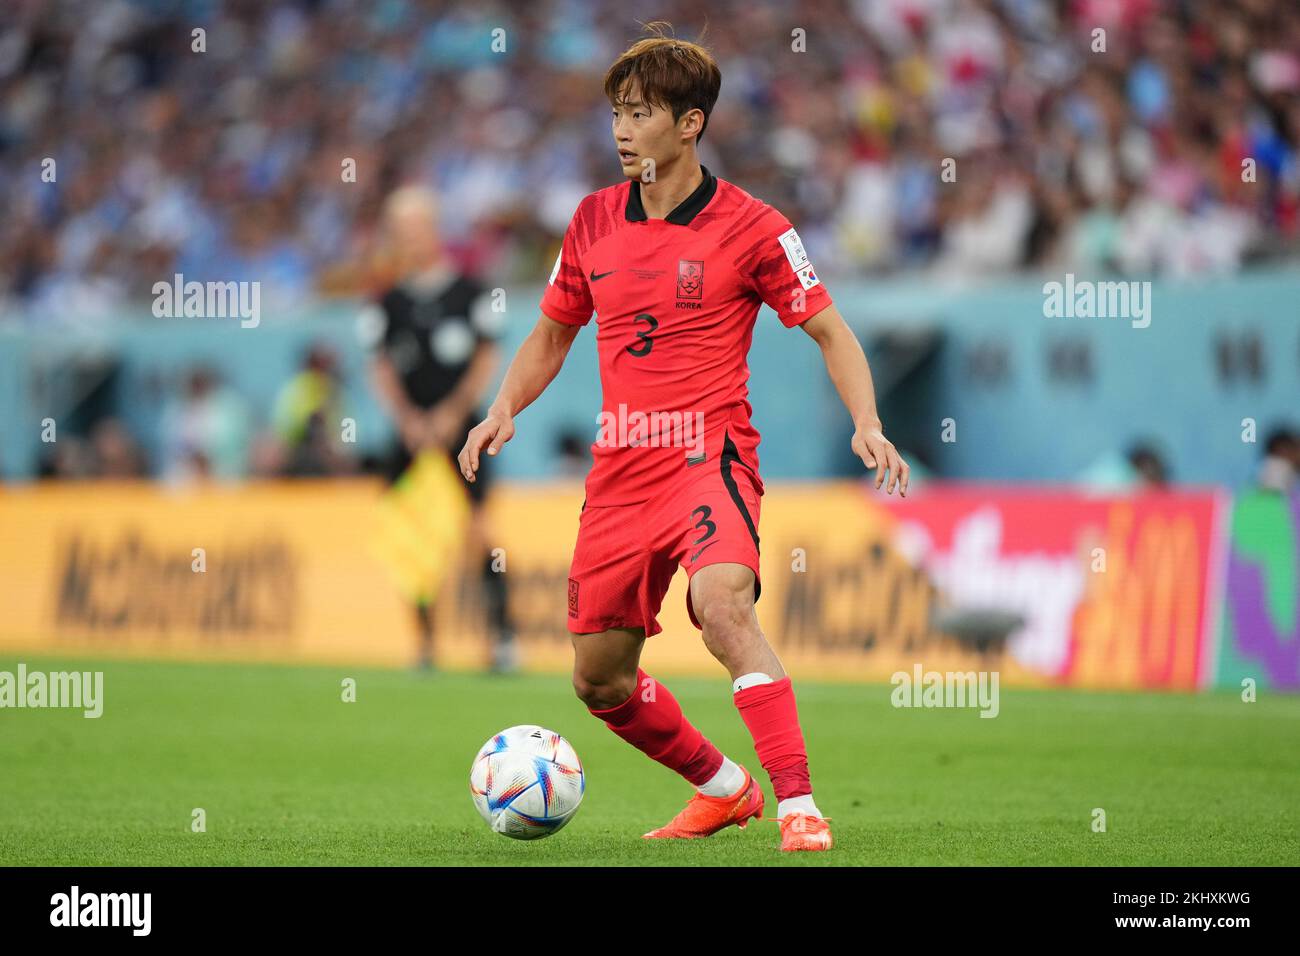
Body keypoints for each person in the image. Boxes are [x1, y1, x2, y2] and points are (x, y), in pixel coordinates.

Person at [458, 26, 908, 852]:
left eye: (640, 113)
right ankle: (723, 787)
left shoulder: (756, 227)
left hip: (711, 456)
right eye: (618, 114)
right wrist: (502, 406)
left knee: (722, 605)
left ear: (690, 123)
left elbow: (832, 333)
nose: (622, 131)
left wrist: (868, 424)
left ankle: (799, 803)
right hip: (620, 472)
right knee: (598, 680)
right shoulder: (593, 218)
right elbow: (553, 334)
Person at [361, 185, 516, 673]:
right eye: (399, 231)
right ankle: (426, 644)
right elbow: (380, 365)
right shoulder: (386, 302)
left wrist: (453, 412)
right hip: (410, 435)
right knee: (414, 534)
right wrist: (407, 417)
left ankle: (502, 640)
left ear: (434, 230)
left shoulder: (471, 292)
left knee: (479, 532)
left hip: (462, 430)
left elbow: (486, 357)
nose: (408, 238)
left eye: (415, 228)